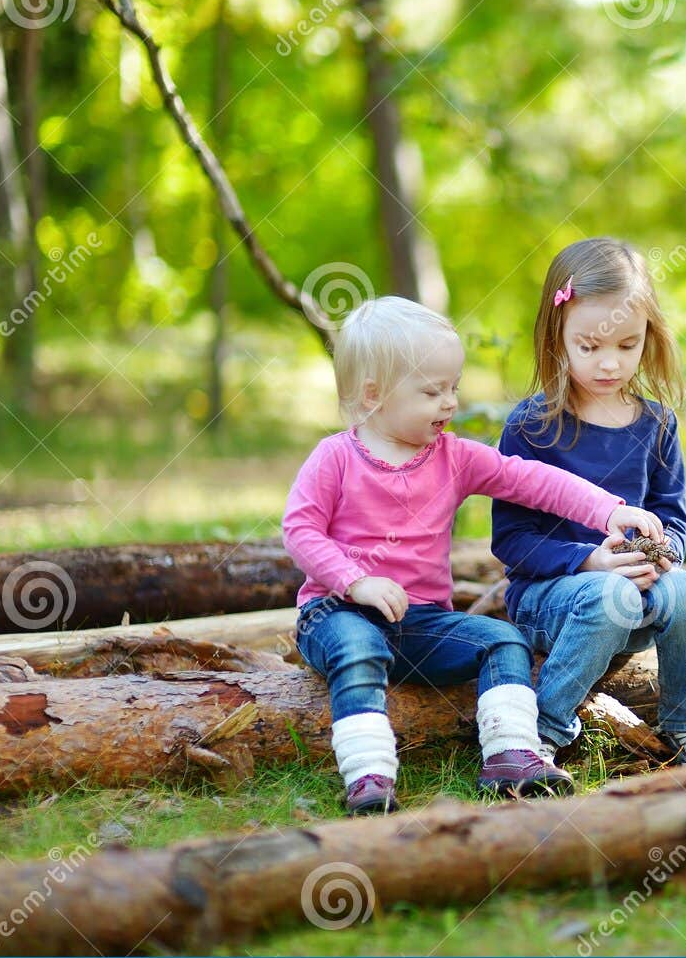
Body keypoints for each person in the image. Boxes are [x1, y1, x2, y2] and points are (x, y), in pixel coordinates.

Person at [282, 296, 664, 814]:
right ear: (373, 395)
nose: (449, 403)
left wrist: (606, 510)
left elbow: (531, 480)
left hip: (419, 623)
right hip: (335, 611)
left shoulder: (454, 457)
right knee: (358, 646)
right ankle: (369, 775)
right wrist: (355, 581)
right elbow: (300, 530)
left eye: (454, 388)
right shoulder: (336, 458)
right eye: (431, 391)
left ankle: (511, 754)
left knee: (503, 640)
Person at [492, 237, 686, 766]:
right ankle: (543, 731)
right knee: (608, 595)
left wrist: (660, 555)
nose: (609, 363)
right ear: (557, 337)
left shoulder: (657, 424)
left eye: (626, 345)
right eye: (589, 346)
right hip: (551, 600)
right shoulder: (533, 426)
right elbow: (511, 540)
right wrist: (591, 562)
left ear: (649, 336)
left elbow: (672, 517)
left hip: (638, 592)